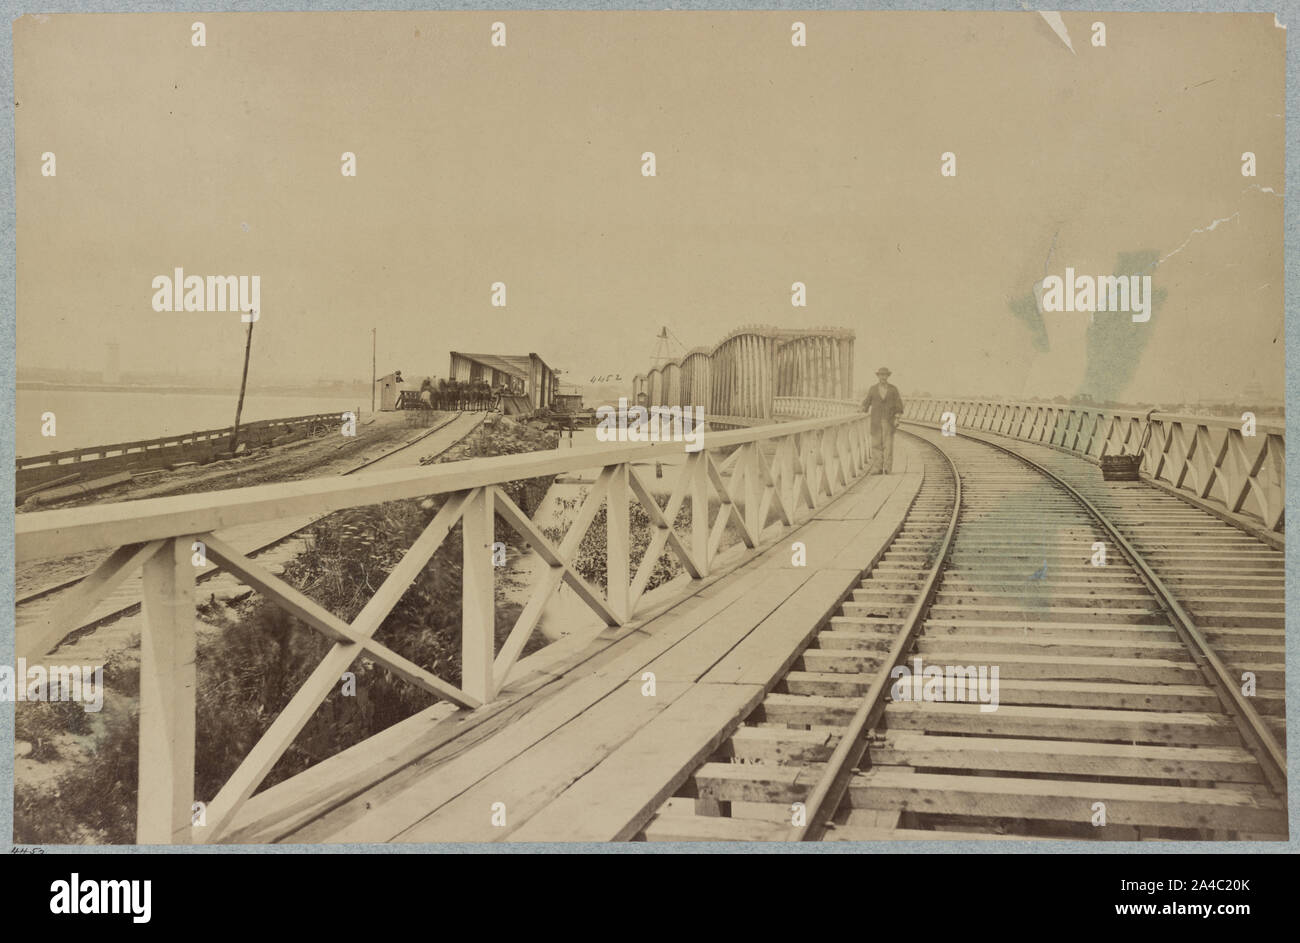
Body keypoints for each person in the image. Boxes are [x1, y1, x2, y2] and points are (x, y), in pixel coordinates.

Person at [862, 367, 904, 474]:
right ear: (878, 376)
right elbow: (866, 403)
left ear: (888, 376)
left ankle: (888, 468)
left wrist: (897, 418)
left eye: (885, 375)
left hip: (889, 421)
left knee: (888, 445)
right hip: (875, 421)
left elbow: (899, 405)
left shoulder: (893, 389)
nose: (883, 377)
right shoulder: (872, 389)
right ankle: (878, 468)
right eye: (881, 375)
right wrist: (861, 409)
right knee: (876, 445)